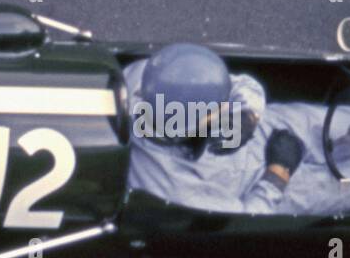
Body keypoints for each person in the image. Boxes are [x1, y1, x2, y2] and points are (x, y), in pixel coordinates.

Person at [123, 44, 307, 213]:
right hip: (270, 183)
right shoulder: (172, 191)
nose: (226, 108)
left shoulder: (156, 75)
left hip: (271, 126)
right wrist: (278, 174)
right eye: (217, 110)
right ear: (189, 130)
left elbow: (238, 85)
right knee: (334, 192)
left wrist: (248, 116)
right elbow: (247, 215)